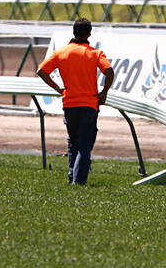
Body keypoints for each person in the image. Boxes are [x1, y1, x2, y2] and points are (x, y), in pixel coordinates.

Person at [37, 17, 114, 185]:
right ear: (89, 34)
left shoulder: (61, 52)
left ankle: (72, 176)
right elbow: (109, 71)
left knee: (73, 142)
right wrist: (104, 93)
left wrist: (58, 88)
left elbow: (41, 71)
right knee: (85, 145)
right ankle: (78, 182)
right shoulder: (95, 53)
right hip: (89, 104)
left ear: (74, 32)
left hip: (69, 103)